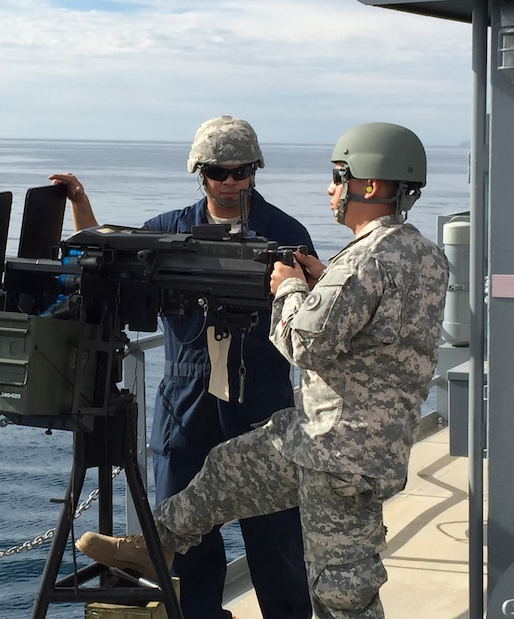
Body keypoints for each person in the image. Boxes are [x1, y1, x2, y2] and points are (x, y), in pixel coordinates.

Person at [73, 121, 449, 619]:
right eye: (217, 172)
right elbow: (364, 321)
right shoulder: (422, 252)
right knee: (225, 472)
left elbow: (303, 341)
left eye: (339, 178)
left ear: (370, 185)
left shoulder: (358, 258)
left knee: (339, 593)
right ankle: (157, 543)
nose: (330, 190)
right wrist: (319, 284)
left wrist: (291, 289)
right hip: (313, 433)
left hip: (340, 452)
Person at [51, 115, 315, 619]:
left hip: (259, 397)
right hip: (186, 402)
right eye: (220, 172)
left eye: (243, 172)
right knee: (184, 543)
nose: (232, 183)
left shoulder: (286, 233)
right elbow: (106, 259)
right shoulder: (167, 231)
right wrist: (81, 205)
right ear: (201, 173)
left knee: (277, 539)